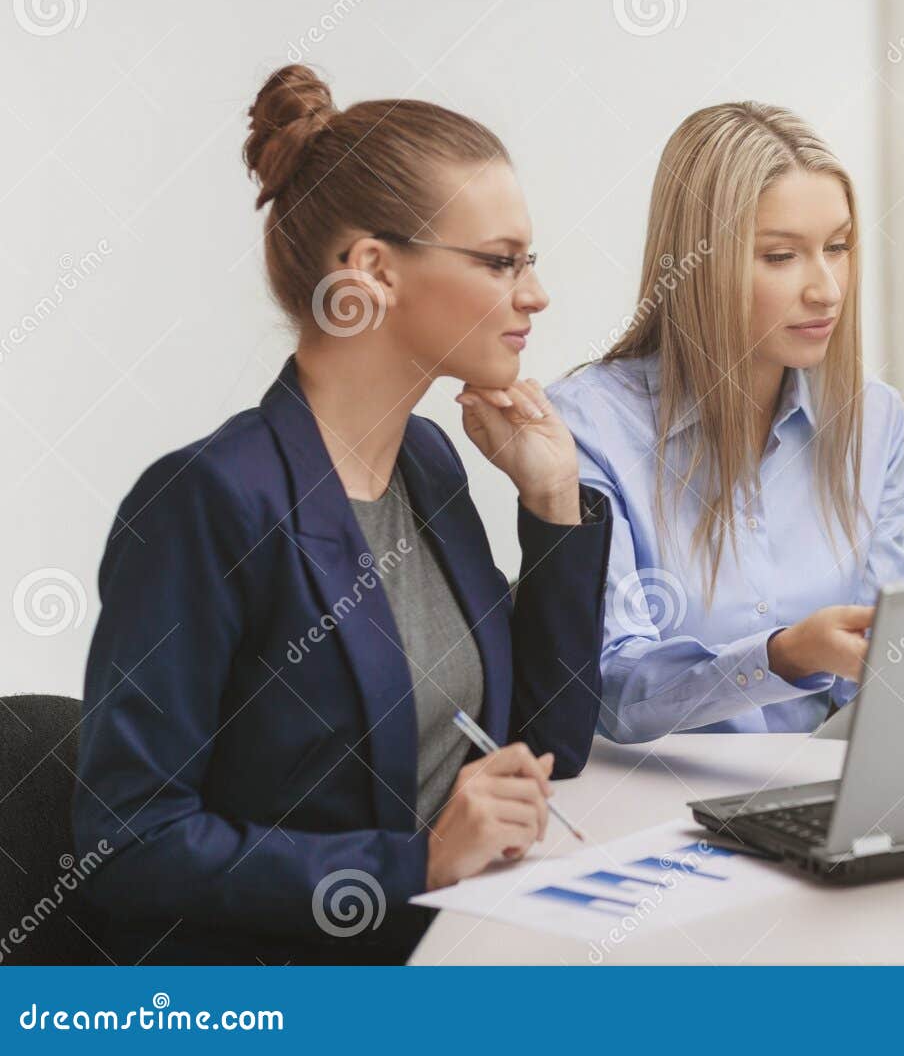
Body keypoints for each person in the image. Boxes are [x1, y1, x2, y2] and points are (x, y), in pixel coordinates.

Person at [72, 65, 611, 963]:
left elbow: (548, 747)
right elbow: (127, 847)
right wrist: (415, 863)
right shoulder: (208, 500)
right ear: (373, 270)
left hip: (459, 942)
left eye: (529, 262)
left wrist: (553, 503)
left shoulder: (426, 464)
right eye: (499, 261)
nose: (534, 294)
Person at [548, 102, 904, 741]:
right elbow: (611, 691)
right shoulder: (590, 425)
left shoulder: (873, 418)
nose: (828, 289)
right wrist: (782, 658)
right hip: (663, 794)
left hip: (819, 782)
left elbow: (886, 669)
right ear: (699, 265)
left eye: (837, 247)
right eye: (781, 256)